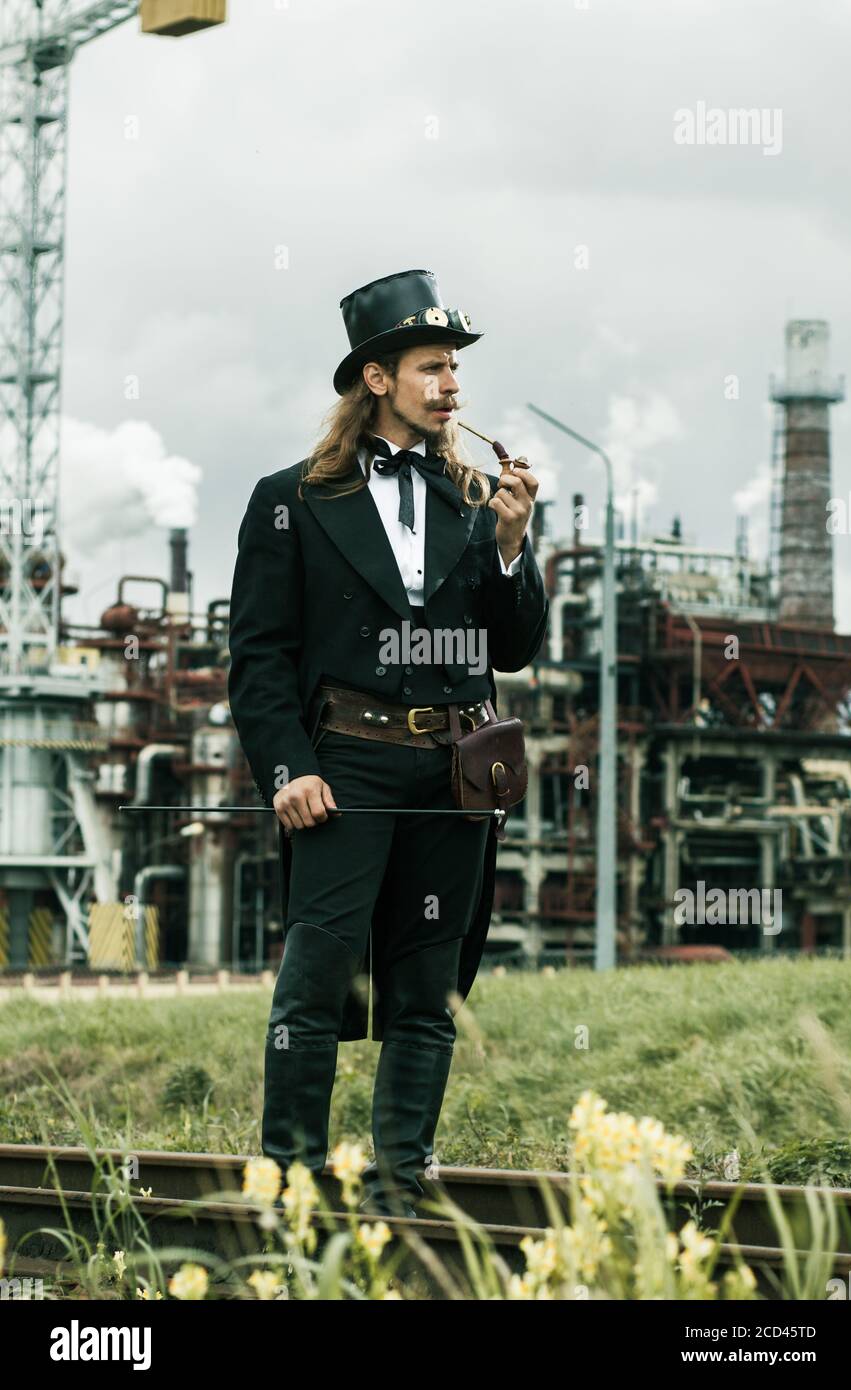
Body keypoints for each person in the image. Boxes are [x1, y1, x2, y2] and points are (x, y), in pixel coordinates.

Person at [228, 267, 548, 1216]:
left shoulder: (480, 499)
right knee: (316, 980)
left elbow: (517, 649)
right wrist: (288, 769)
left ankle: (402, 1185)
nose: (452, 384)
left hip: (454, 769)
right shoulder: (289, 500)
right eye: (433, 367)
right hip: (345, 767)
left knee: (429, 988)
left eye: (455, 368)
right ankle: (290, 1181)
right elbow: (258, 657)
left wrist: (511, 547)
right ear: (377, 378)